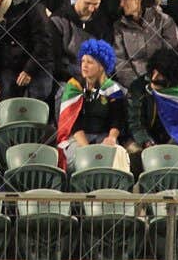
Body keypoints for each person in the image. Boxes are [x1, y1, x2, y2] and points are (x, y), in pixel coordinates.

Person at [56, 38, 131, 172]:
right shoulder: (74, 86)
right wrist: (88, 149)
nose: (84, 65)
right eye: (83, 61)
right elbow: (74, 123)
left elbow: (117, 119)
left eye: (90, 62)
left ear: (101, 66)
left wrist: (112, 138)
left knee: (116, 156)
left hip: (103, 135)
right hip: (77, 138)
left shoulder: (113, 89)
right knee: (86, 160)